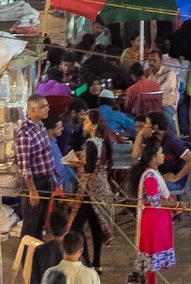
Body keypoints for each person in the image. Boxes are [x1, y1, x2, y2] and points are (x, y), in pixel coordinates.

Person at [66, 108, 116, 268]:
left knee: (76, 226)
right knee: (96, 225)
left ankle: (86, 262)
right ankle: (97, 263)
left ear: (94, 126)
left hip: (90, 190)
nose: (84, 123)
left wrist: (76, 163)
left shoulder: (91, 143)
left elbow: (88, 169)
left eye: (87, 121)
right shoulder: (103, 141)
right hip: (101, 187)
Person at [131, 140, 177, 284]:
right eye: (161, 153)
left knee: (154, 261)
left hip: (157, 221)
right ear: (153, 158)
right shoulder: (150, 177)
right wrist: (175, 203)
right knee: (152, 260)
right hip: (153, 223)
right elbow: (155, 202)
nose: (163, 155)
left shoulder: (154, 173)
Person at [13, 94, 56, 240]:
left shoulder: (41, 126)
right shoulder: (25, 133)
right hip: (35, 183)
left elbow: (46, 153)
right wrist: (32, 190)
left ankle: (36, 255)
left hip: (46, 179)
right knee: (31, 223)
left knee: (40, 222)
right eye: (43, 106)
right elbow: (25, 166)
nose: (47, 109)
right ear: (32, 109)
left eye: (47, 105)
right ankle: (26, 258)